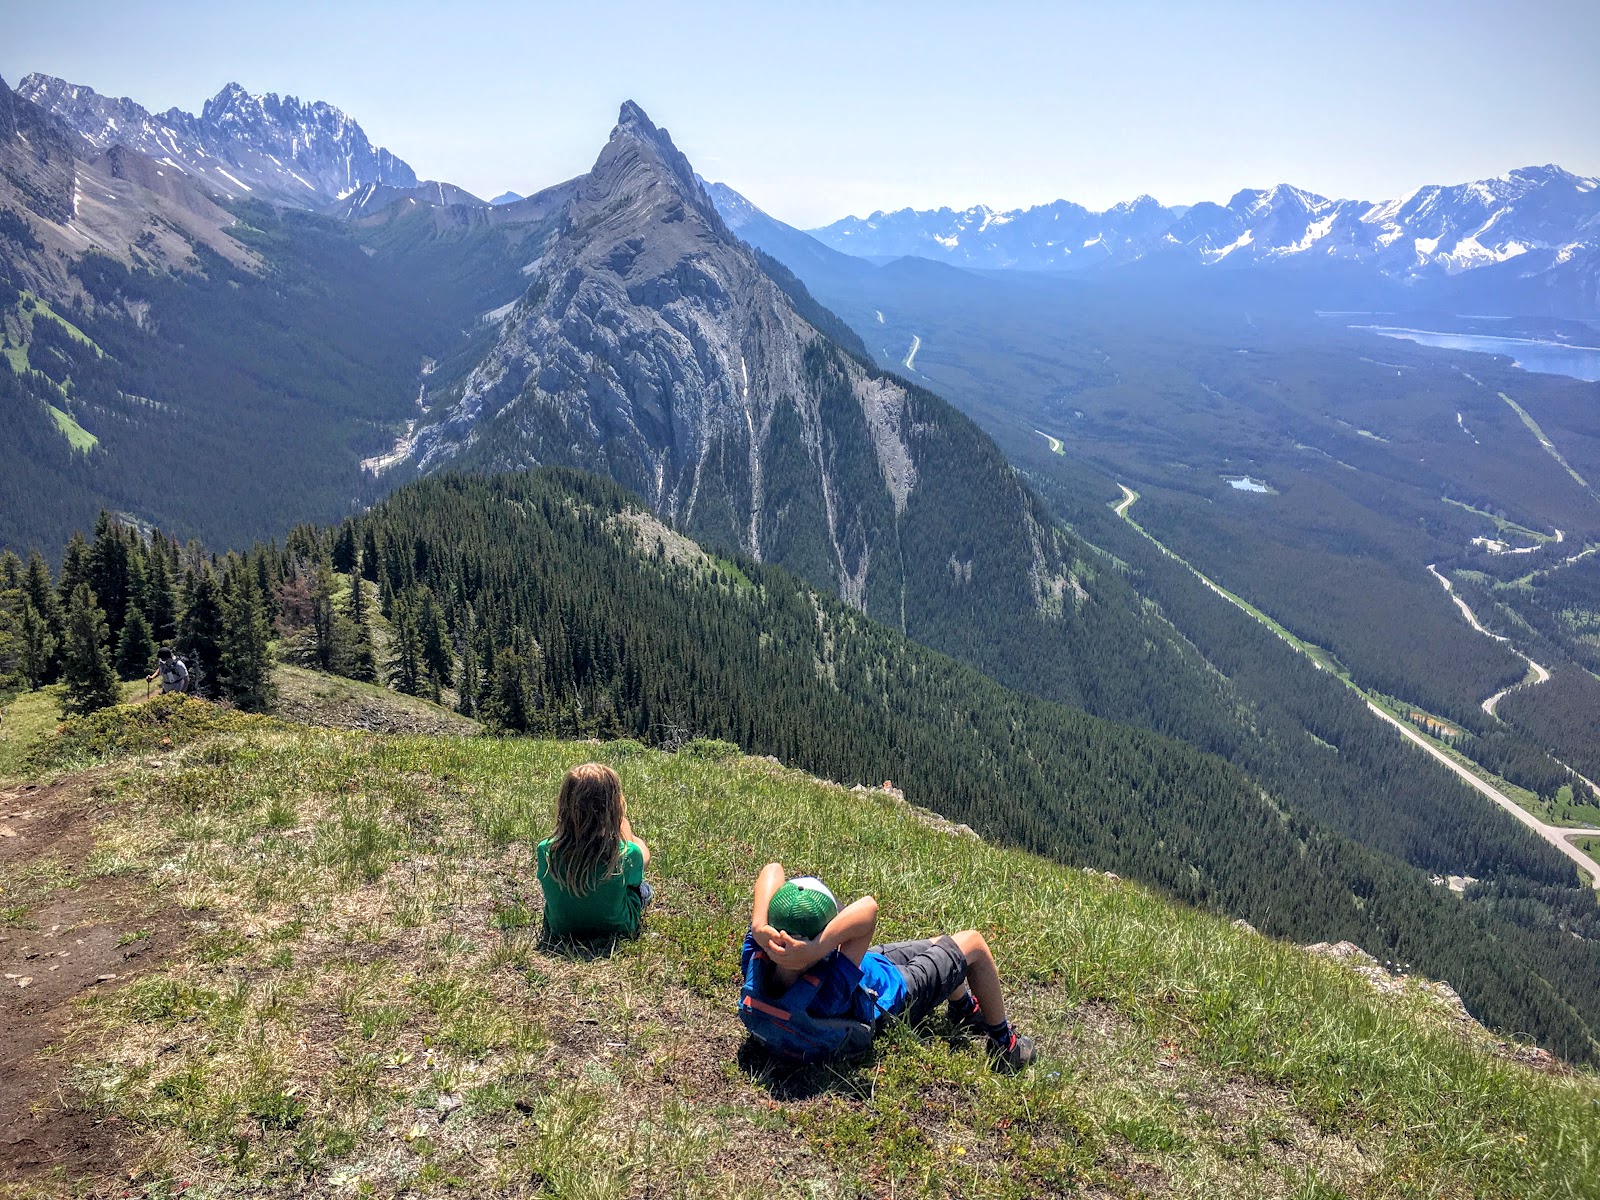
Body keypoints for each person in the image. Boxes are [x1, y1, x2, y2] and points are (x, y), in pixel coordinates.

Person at [741, 862, 1035, 1071]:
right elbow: (868, 908)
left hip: (870, 969)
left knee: (943, 945)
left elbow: (772, 869)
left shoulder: (759, 956)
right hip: (896, 992)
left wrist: (759, 927)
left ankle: (963, 1008)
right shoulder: (831, 987)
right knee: (972, 944)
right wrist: (818, 947)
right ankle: (1004, 1046)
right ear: (825, 939)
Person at [536, 762, 652, 940]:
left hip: (560, 928)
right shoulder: (626, 855)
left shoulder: (546, 850)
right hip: (619, 927)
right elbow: (642, 863)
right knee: (644, 889)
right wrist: (629, 836)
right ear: (613, 807)